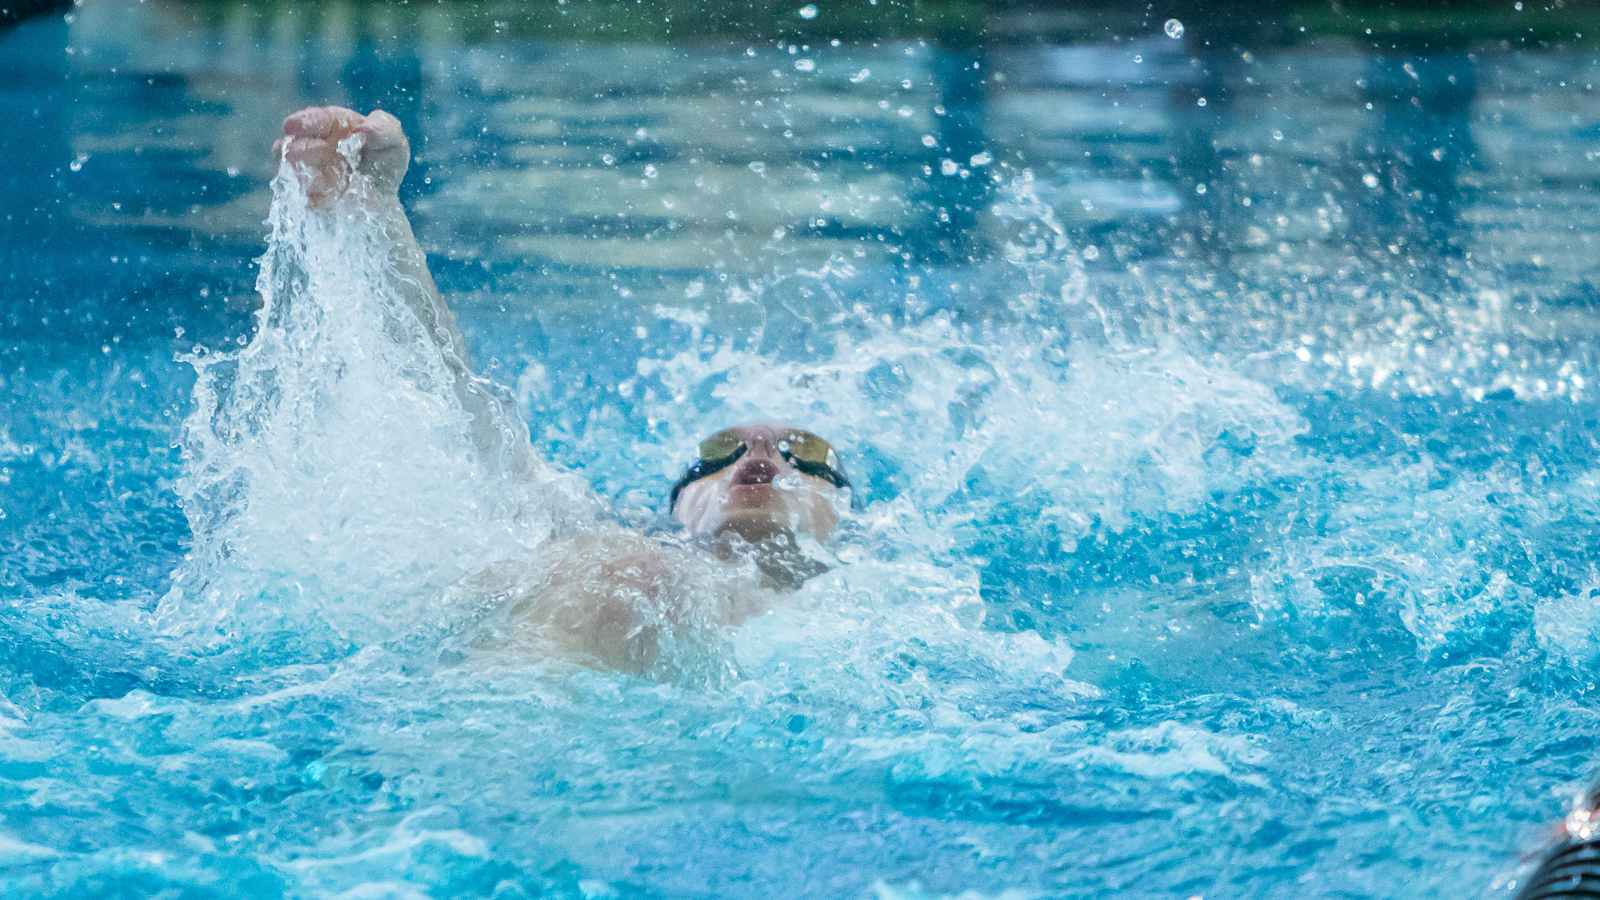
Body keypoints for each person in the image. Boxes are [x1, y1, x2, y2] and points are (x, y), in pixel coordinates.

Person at [273, 106, 857, 675]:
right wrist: (374, 212)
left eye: (802, 451)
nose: (761, 450)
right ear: (680, 508)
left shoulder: (874, 610)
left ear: (844, 512)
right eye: (722, 451)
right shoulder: (598, 531)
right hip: (514, 693)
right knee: (622, 576)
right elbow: (456, 408)